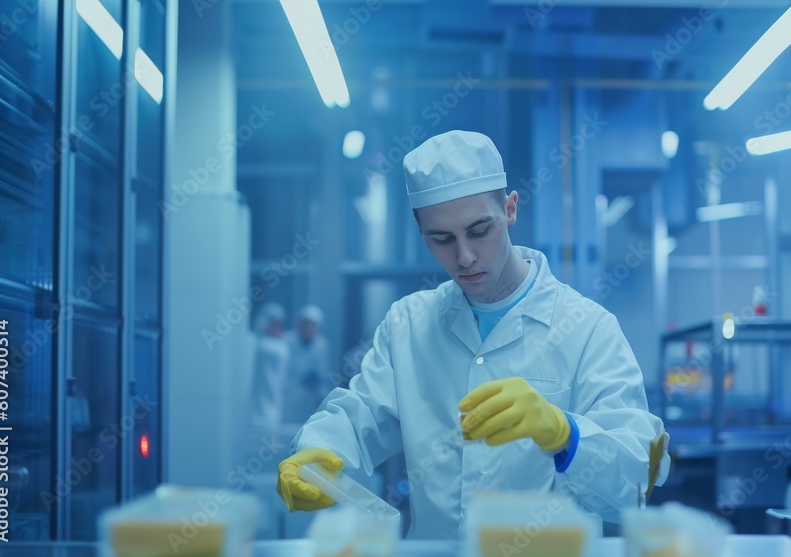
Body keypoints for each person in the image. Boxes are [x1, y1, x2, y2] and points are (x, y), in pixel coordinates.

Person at [277, 130, 669, 539]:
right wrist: (317, 453)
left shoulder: (587, 328)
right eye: (442, 239)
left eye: (480, 231)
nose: (464, 257)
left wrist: (566, 435)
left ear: (510, 209)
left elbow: (635, 483)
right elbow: (359, 417)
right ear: (422, 233)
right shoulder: (408, 324)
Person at [283, 304, 331, 424]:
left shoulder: (321, 345)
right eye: (305, 324)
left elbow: (323, 371)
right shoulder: (286, 340)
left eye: (312, 325)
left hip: (309, 395)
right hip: (287, 392)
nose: (308, 328)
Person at [250, 302, 290, 430]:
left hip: (271, 406)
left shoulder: (277, 347)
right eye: (275, 324)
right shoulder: (266, 346)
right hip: (261, 410)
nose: (278, 328)